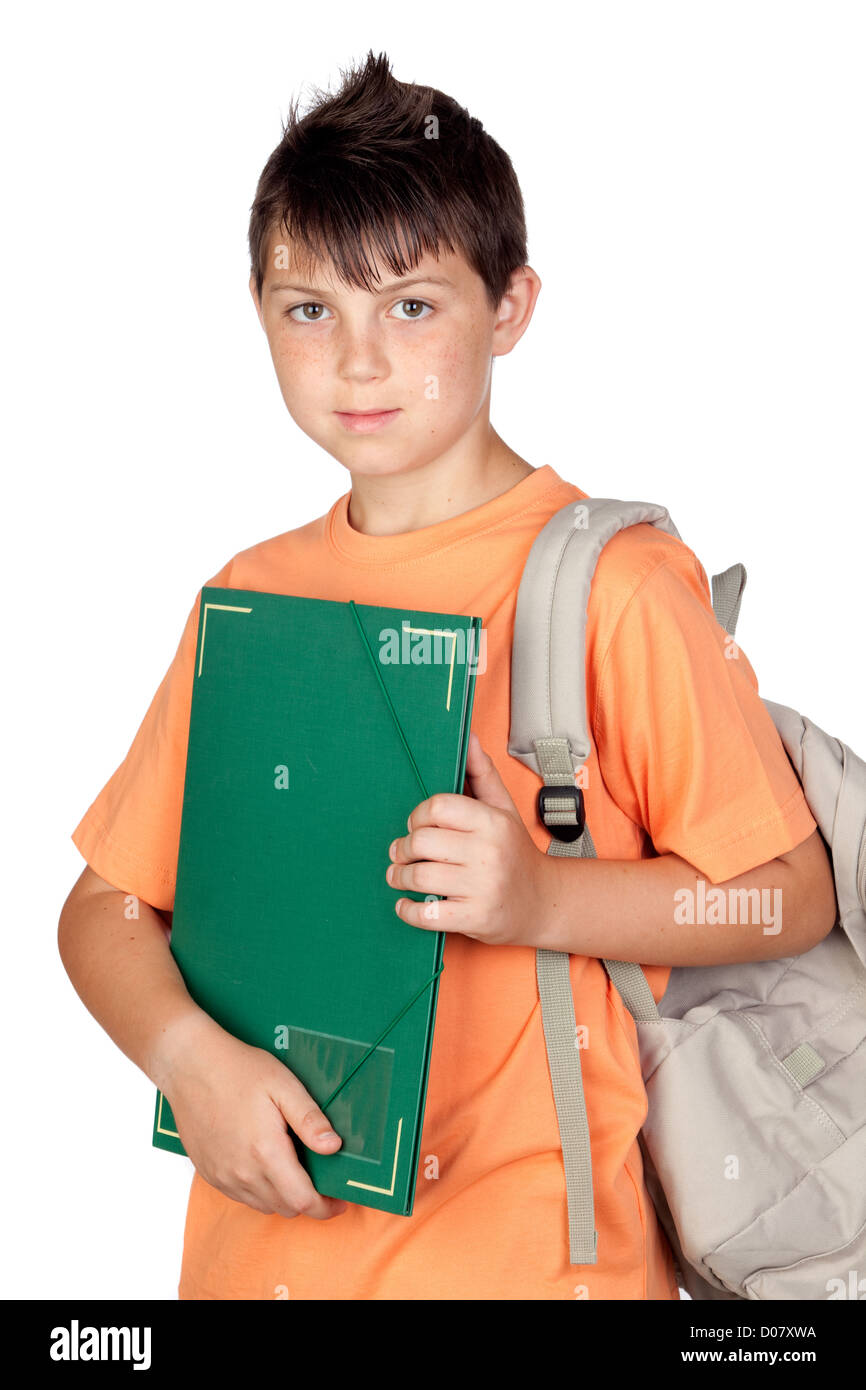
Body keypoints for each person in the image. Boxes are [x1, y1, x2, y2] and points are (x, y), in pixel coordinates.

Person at [59, 50, 836, 1301]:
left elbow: (779, 900)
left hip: (530, 1269)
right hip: (258, 1264)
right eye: (310, 309)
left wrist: (542, 902)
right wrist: (187, 1063)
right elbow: (101, 912)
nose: (357, 361)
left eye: (410, 306)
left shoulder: (612, 587)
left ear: (510, 307)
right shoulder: (247, 601)